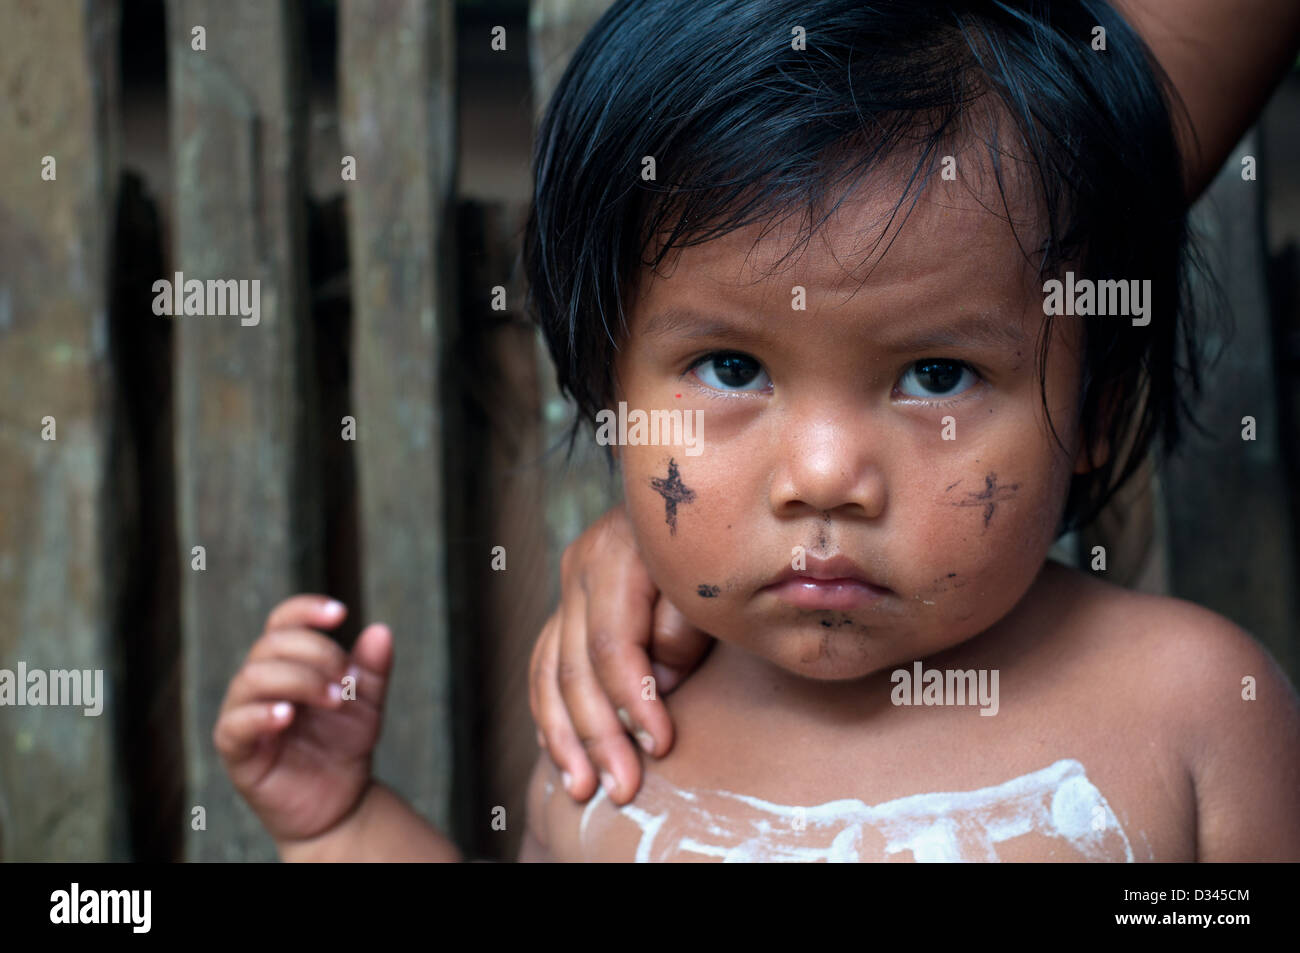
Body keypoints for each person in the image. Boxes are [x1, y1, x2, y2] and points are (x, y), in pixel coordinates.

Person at [215, 0, 1300, 861]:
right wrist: (339, 824)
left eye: (936, 375)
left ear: (1094, 413)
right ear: (604, 389)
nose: (824, 476)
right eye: (732, 368)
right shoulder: (622, 726)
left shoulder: (1193, 710)